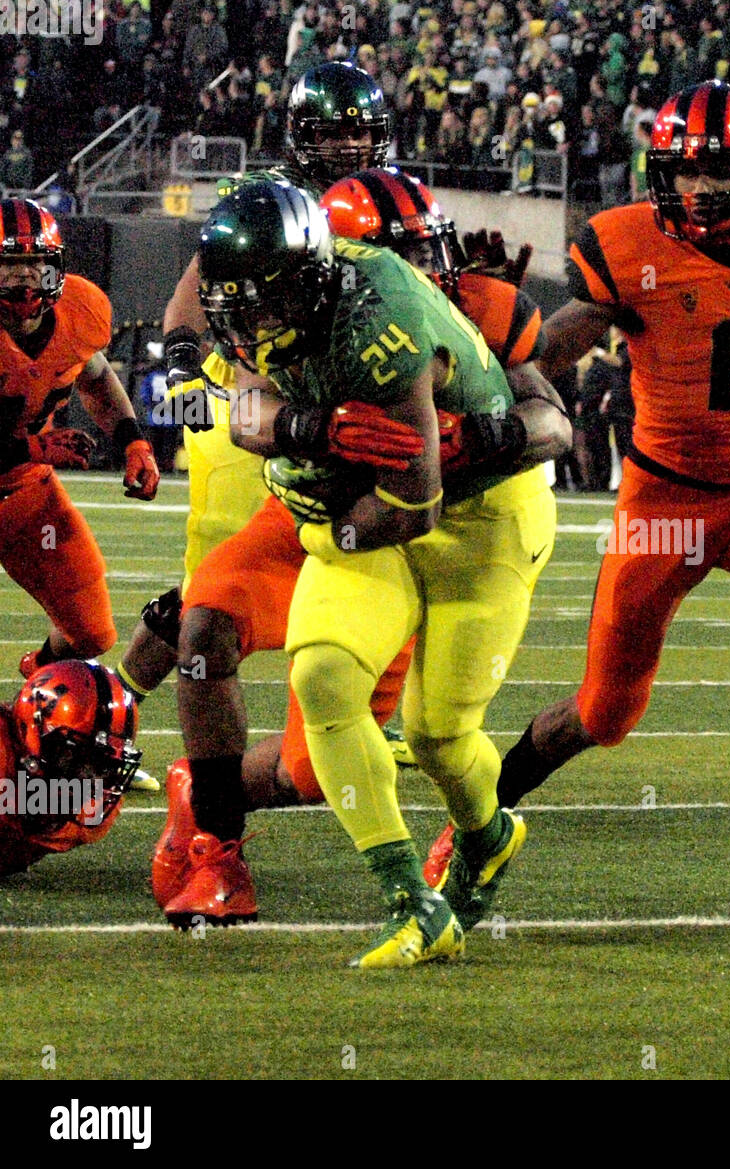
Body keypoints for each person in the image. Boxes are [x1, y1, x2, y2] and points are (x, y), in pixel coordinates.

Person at [429, 81, 730, 911]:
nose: (694, 190)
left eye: (714, 172)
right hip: (664, 503)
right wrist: (491, 329)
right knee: (604, 710)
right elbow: (549, 351)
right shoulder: (627, 245)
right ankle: (483, 812)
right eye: (681, 172)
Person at [153, 167, 563, 933]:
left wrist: (484, 433)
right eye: (379, 247)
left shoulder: (430, 309)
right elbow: (242, 397)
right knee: (217, 628)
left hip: (435, 520)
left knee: (395, 745)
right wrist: (310, 429)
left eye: (412, 247)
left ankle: (476, 835)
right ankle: (224, 844)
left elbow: (549, 427)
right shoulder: (271, 298)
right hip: (330, 509)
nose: (401, 264)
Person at [113, 61, 394, 799]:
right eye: (333, 135)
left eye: (362, 134)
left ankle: (364, 706)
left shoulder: (382, 203)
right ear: (303, 138)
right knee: (207, 596)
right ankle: (112, 713)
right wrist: (184, 371)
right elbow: (191, 302)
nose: (350, 150)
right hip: (252, 403)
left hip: (343, 406)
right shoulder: (265, 199)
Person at [0, 200, 160, 682]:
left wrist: (134, 443)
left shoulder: (79, 314)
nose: (24, 280)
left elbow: (94, 376)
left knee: (90, 635)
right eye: (9, 268)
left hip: (26, 496)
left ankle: (37, 685)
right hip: (28, 467)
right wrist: (32, 447)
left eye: (34, 264)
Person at [0, 661, 141, 877]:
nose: (90, 779)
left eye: (102, 765)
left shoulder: (90, 810)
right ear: (32, 728)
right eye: (77, 757)